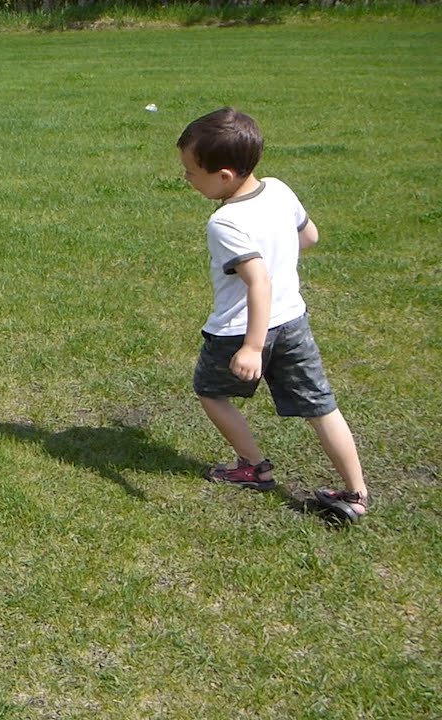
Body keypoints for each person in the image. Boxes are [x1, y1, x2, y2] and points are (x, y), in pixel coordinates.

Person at [176, 107, 369, 522]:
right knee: (321, 406)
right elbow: (310, 236)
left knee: (210, 391)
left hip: (239, 331)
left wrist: (252, 346)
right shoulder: (279, 190)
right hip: (293, 321)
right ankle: (356, 493)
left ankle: (253, 466)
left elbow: (257, 282)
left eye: (192, 172)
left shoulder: (224, 221)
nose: (187, 179)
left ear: (224, 176)